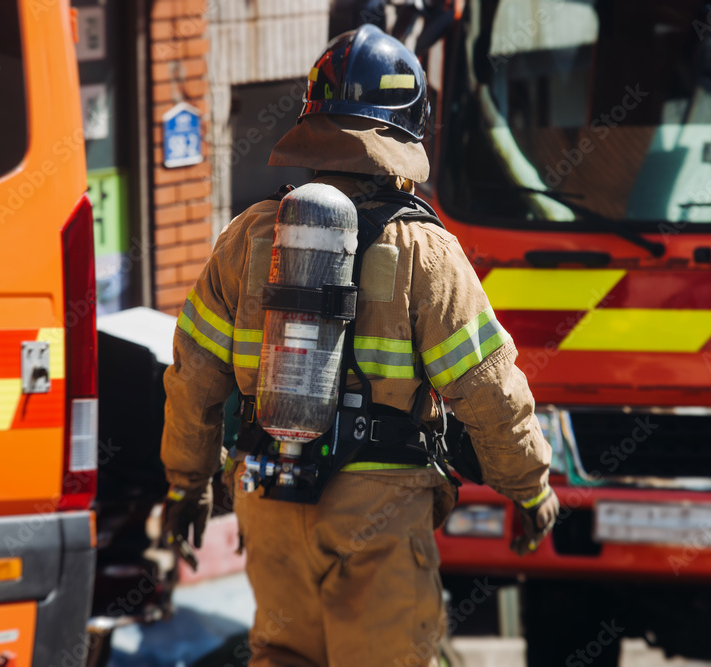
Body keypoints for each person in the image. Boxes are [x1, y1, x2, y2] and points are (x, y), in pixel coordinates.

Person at [161, 23, 559, 667]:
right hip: (375, 512)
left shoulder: (246, 237)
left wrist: (186, 483)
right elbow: (489, 387)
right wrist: (530, 486)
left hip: (270, 494)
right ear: (407, 131)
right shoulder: (423, 249)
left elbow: (192, 377)